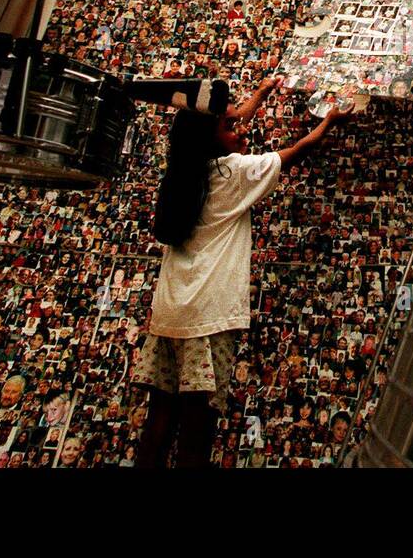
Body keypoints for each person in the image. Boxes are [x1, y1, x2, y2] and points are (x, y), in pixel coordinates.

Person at [132, 78, 353, 468]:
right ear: (213, 138)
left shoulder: (184, 169)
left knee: (160, 416)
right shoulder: (233, 172)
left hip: (168, 313)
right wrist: (330, 120)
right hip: (208, 317)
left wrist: (262, 94)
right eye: (232, 128)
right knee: (199, 425)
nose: (242, 128)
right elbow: (300, 150)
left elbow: (227, 120)